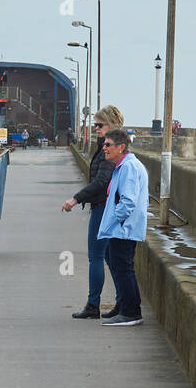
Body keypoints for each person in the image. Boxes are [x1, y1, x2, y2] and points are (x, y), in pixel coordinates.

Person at [61, 104, 124, 319]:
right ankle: (120, 302)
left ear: (111, 125)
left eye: (99, 125)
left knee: (96, 257)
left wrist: (76, 198)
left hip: (103, 209)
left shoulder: (109, 151)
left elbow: (101, 182)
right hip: (107, 207)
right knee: (108, 257)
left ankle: (93, 305)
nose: (95, 128)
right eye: (95, 124)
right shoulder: (108, 147)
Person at [96, 128, 149, 326]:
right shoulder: (123, 166)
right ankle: (124, 306)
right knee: (118, 264)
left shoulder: (129, 168)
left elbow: (128, 202)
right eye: (104, 144)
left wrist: (113, 221)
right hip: (121, 227)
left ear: (121, 147)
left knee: (123, 268)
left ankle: (131, 312)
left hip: (123, 228)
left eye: (108, 144)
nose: (104, 148)